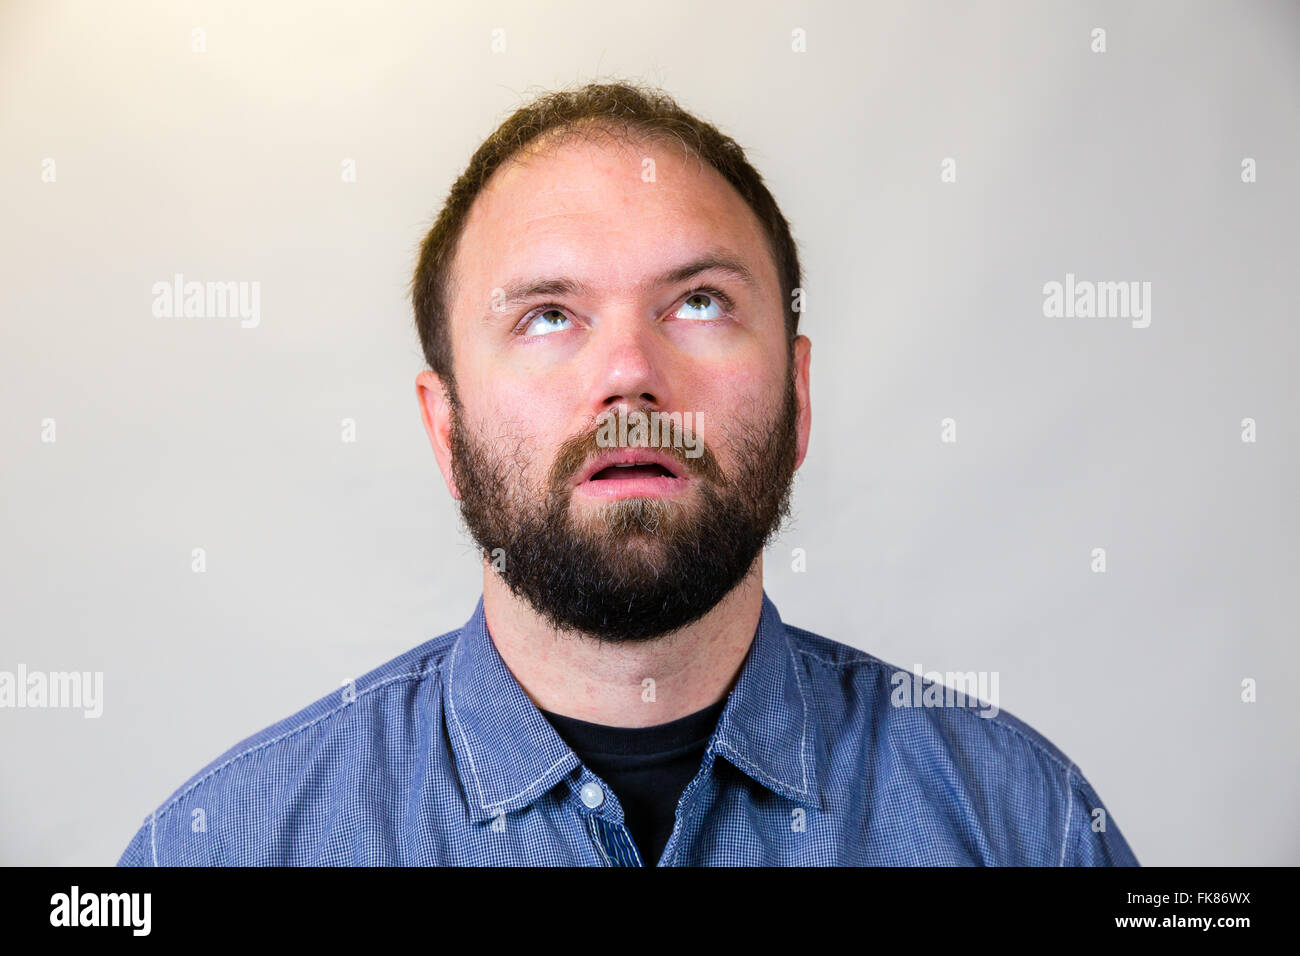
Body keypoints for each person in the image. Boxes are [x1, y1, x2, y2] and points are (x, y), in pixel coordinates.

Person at [118, 81, 1138, 866]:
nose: (628, 376)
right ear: (445, 427)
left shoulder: (1025, 823)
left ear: (799, 397)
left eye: (697, 302)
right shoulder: (225, 848)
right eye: (547, 316)